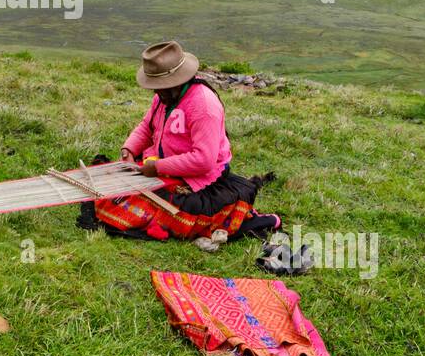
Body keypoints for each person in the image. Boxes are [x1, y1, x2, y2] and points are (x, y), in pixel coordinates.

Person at [78, 40, 279, 247]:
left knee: (171, 212)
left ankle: (257, 221)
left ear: (178, 81)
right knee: (116, 190)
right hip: (161, 169)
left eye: (161, 87)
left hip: (196, 180)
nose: (156, 92)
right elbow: (148, 126)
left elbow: (204, 160)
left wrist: (157, 167)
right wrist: (129, 149)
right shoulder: (165, 97)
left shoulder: (204, 105)